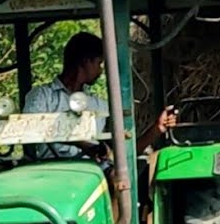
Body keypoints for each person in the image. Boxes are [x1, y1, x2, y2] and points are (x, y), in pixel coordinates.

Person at [23, 31, 178, 161]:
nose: (101, 70)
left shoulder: (99, 105)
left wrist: (157, 129)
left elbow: (124, 152)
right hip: (50, 170)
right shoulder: (42, 96)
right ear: (85, 62)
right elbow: (28, 129)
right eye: (99, 63)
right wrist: (83, 144)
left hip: (91, 174)